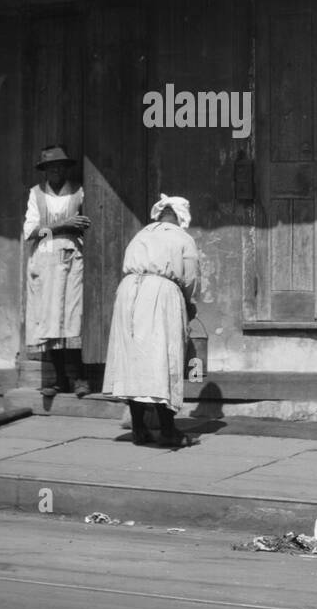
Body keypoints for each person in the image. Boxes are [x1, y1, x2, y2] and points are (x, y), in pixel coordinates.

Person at [101, 194, 200, 447]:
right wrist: (189, 305)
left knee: (135, 358)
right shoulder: (182, 238)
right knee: (163, 358)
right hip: (161, 293)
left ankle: (139, 429)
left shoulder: (140, 234)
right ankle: (168, 430)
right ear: (181, 216)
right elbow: (189, 279)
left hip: (128, 293)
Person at [23, 145, 91, 398]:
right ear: (45, 170)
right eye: (51, 167)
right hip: (45, 259)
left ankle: (81, 378)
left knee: (72, 316)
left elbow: (88, 223)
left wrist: (72, 228)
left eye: (60, 166)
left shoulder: (79, 192)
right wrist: (63, 224)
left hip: (72, 257)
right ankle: (60, 378)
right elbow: (31, 232)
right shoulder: (36, 194)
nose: (57, 171)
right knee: (49, 317)